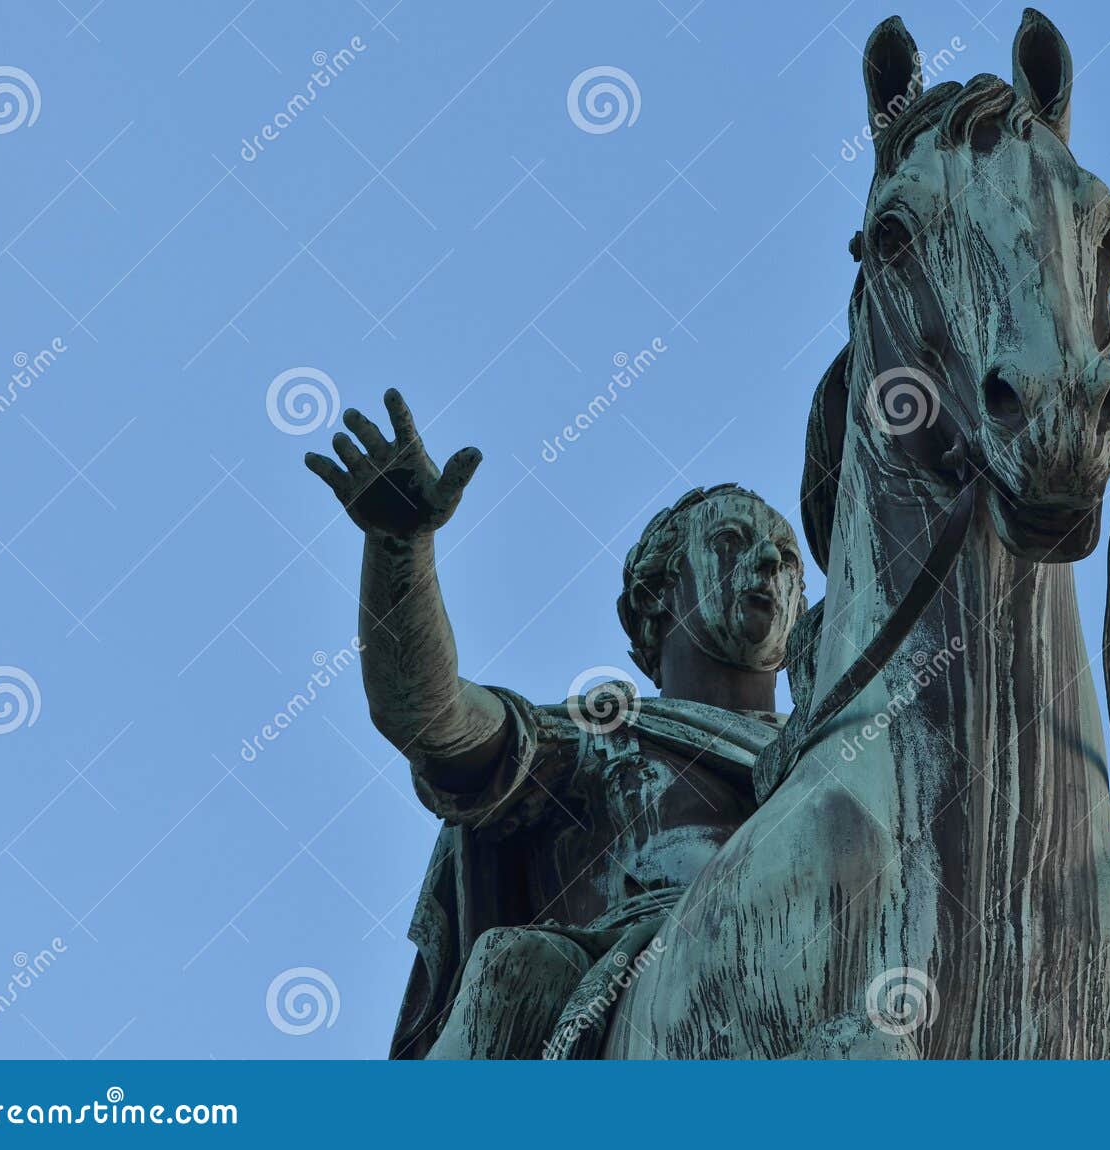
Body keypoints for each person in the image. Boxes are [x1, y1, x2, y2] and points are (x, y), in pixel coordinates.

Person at [304, 390, 807, 1058]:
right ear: (658, 596)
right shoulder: (597, 740)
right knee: (518, 967)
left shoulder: (840, 753)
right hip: (623, 1000)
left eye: (786, 556)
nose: (770, 565)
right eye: (732, 542)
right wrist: (401, 548)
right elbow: (430, 718)